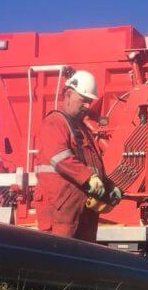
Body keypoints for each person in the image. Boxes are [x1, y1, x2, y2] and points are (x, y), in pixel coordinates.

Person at [34, 70, 120, 241]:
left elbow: (93, 166)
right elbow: (59, 157)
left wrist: (109, 186)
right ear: (69, 94)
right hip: (61, 208)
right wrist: (88, 178)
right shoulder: (55, 122)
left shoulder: (83, 130)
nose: (88, 106)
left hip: (82, 210)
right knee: (60, 260)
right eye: (84, 100)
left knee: (83, 259)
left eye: (90, 101)